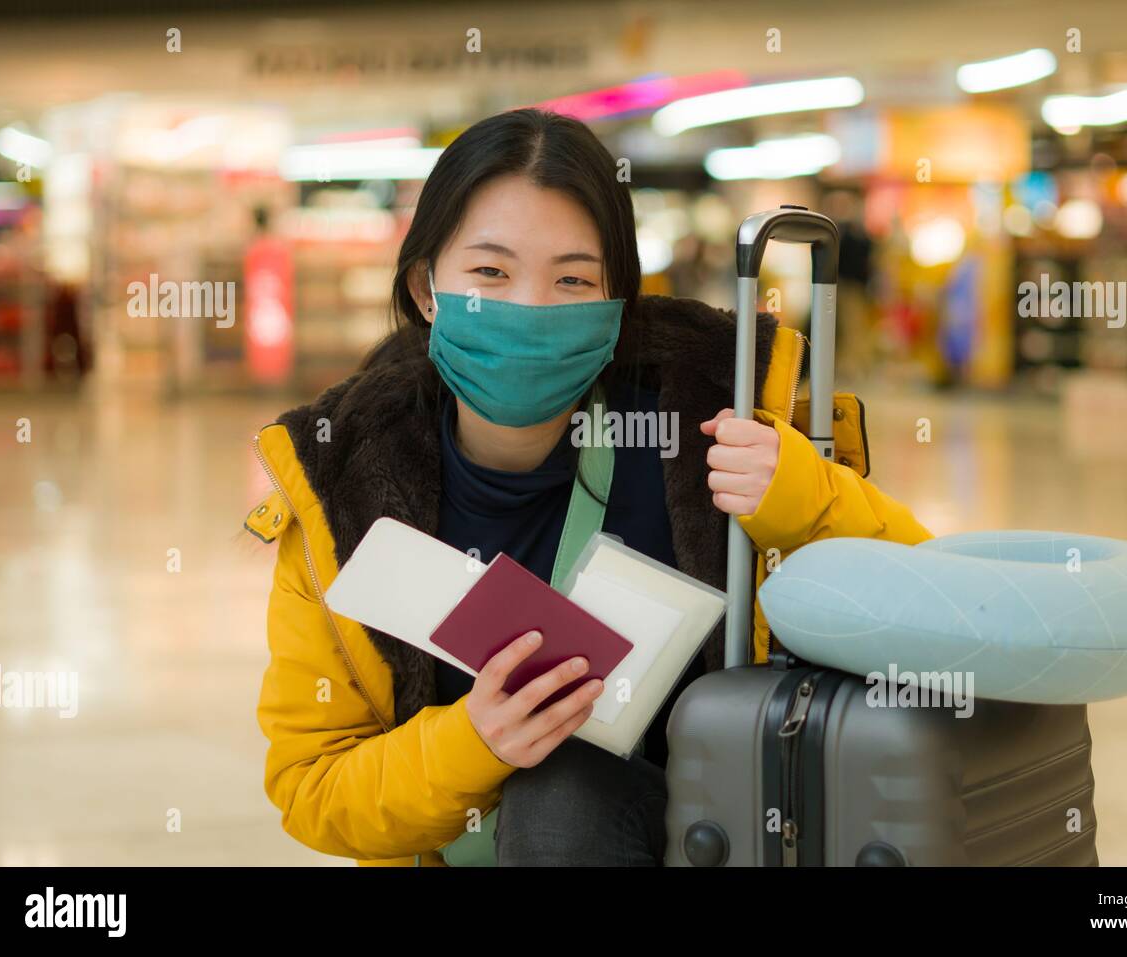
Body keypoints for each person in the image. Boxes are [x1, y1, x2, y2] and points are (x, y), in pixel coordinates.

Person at [249, 108, 932, 867]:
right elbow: (313, 786)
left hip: (705, 834)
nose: (532, 307)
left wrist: (805, 499)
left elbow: (932, 608)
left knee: (569, 787)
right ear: (425, 288)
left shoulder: (708, 432)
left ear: (616, 308)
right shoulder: (343, 494)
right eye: (490, 272)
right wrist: (470, 741)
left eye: (572, 278)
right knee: (558, 784)